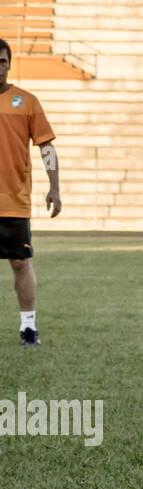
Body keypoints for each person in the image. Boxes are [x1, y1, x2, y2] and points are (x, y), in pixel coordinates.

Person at [0, 38, 60, 347]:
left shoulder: (26, 101)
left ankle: (27, 327)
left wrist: (55, 186)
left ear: (9, 65)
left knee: (21, 263)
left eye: (2, 61)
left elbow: (46, 147)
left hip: (14, 202)